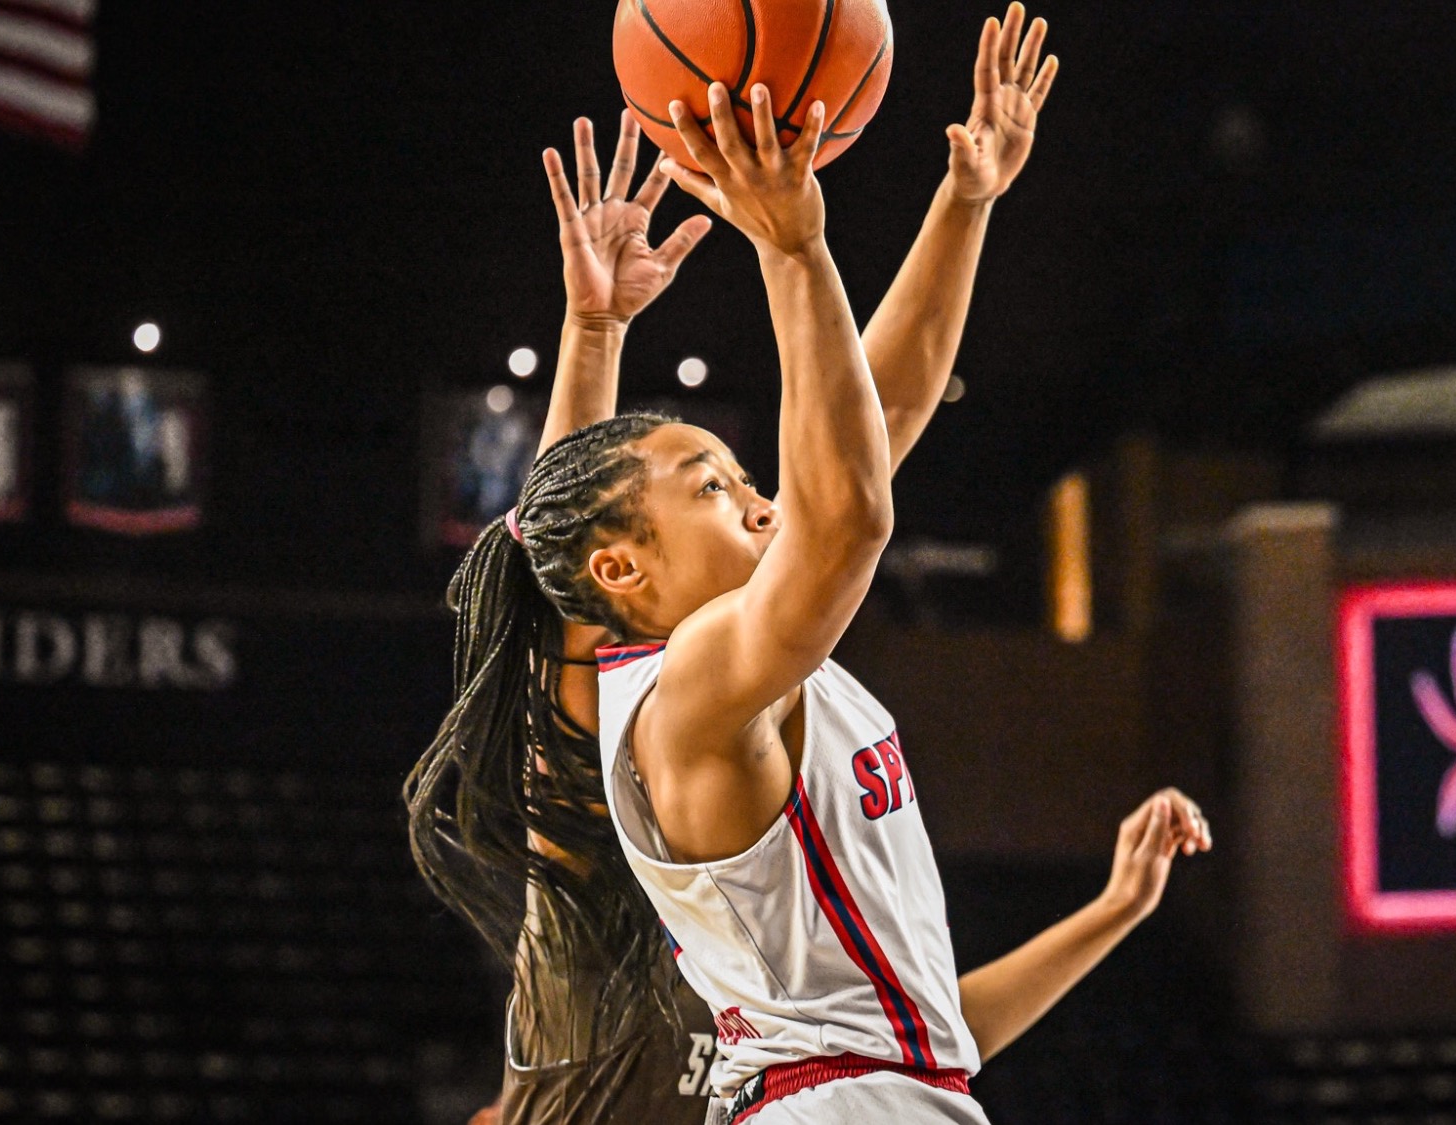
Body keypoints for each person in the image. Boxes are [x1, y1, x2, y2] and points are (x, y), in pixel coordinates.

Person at [410, 7, 1209, 1123]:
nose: (751, 495)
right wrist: (788, 249)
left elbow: (868, 419)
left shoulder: (712, 659)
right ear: (626, 573)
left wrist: (963, 202)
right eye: (710, 484)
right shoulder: (677, 695)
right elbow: (822, 520)